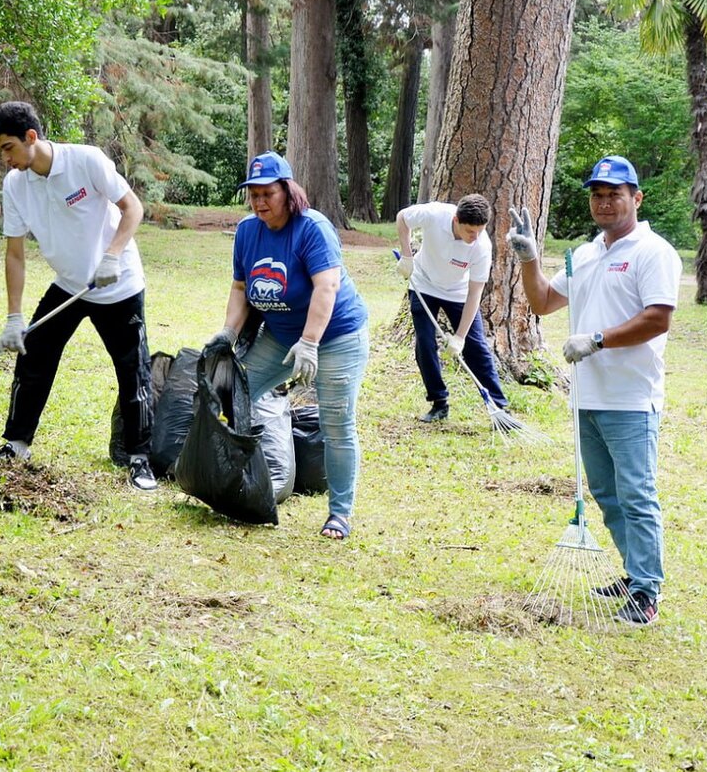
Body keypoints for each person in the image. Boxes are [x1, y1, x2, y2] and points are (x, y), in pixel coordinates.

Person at [507, 155, 681, 626]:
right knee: (606, 491)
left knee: (636, 493)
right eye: (598, 195)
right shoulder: (585, 254)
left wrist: (597, 339)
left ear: (636, 199)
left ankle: (647, 591)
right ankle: (633, 571)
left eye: (615, 194)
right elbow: (543, 301)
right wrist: (529, 258)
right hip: (587, 396)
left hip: (629, 397)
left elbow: (658, 316)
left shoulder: (653, 251)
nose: (605, 203)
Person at [0, 101, 158, 491]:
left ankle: (141, 459)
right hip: (69, 285)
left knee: (132, 370)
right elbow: (15, 253)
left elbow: (132, 208)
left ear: (31, 137)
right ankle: (17, 444)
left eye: (8, 148)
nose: (5, 159)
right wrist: (13, 317)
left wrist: (112, 257)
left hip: (117, 283)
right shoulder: (16, 185)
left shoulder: (85, 161)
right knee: (34, 354)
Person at [207, 151, 369, 539]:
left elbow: (326, 286)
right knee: (233, 393)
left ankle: (340, 513)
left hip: (336, 337)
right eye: (254, 195)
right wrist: (229, 334)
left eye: (268, 194)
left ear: (287, 191)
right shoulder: (248, 231)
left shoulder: (312, 228)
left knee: (336, 424)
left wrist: (310, 343)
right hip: (279, 336)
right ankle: (227, 477)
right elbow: (241, 288)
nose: (261, 202)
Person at [395, 194, 512, 423]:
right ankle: (439, 403)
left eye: (480, 231)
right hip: (423, 283)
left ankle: (499, 408)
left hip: (458, 293)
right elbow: (402, 218)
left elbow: (474, 293)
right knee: (425, 344)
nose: (475, 237)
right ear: (456, 220)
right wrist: (407, 257)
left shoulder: (482, 247)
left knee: (475, 347)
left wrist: (459, 337)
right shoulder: (435, 214)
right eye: (470, 231)